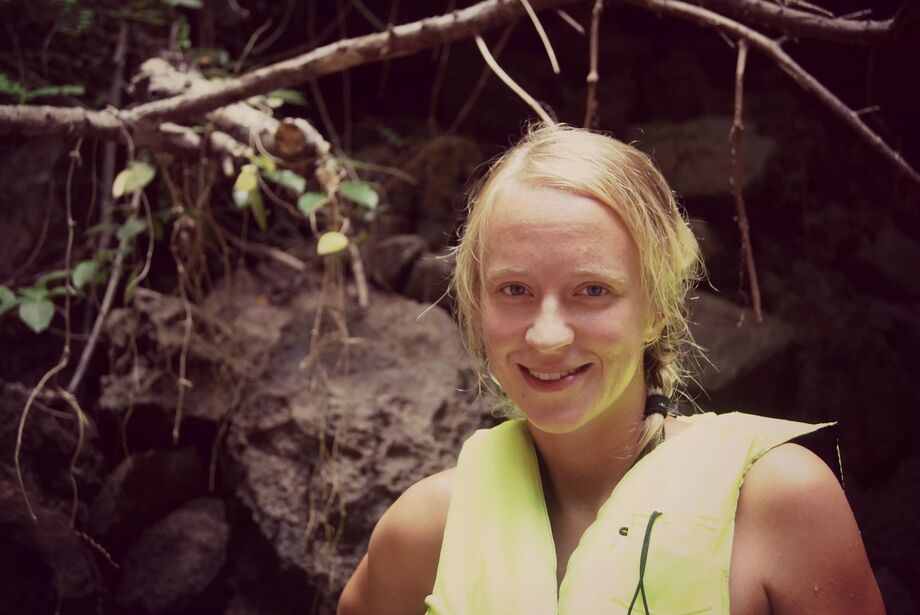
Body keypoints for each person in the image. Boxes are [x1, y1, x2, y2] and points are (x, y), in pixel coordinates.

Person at [337, 124, 885, 615]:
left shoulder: (778, 502)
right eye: (515, 290)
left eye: (593, 290)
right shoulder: (428, 527)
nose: (547, 335)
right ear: (477, 307)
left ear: (657, 309)